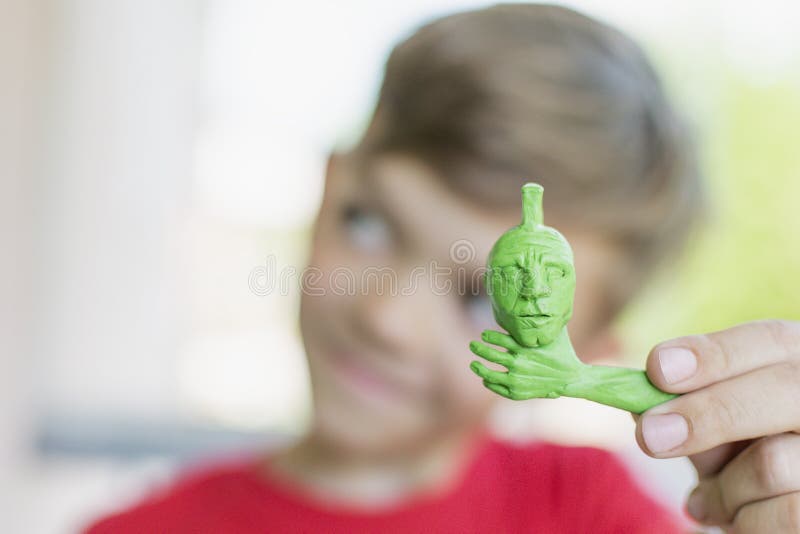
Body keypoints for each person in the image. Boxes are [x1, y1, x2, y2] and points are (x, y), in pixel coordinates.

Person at [86, 4, 800, 533]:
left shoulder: (593, 514)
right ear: (329, 186)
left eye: (485, 301)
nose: (385, 318)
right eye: (368, 224)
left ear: (596, 350)